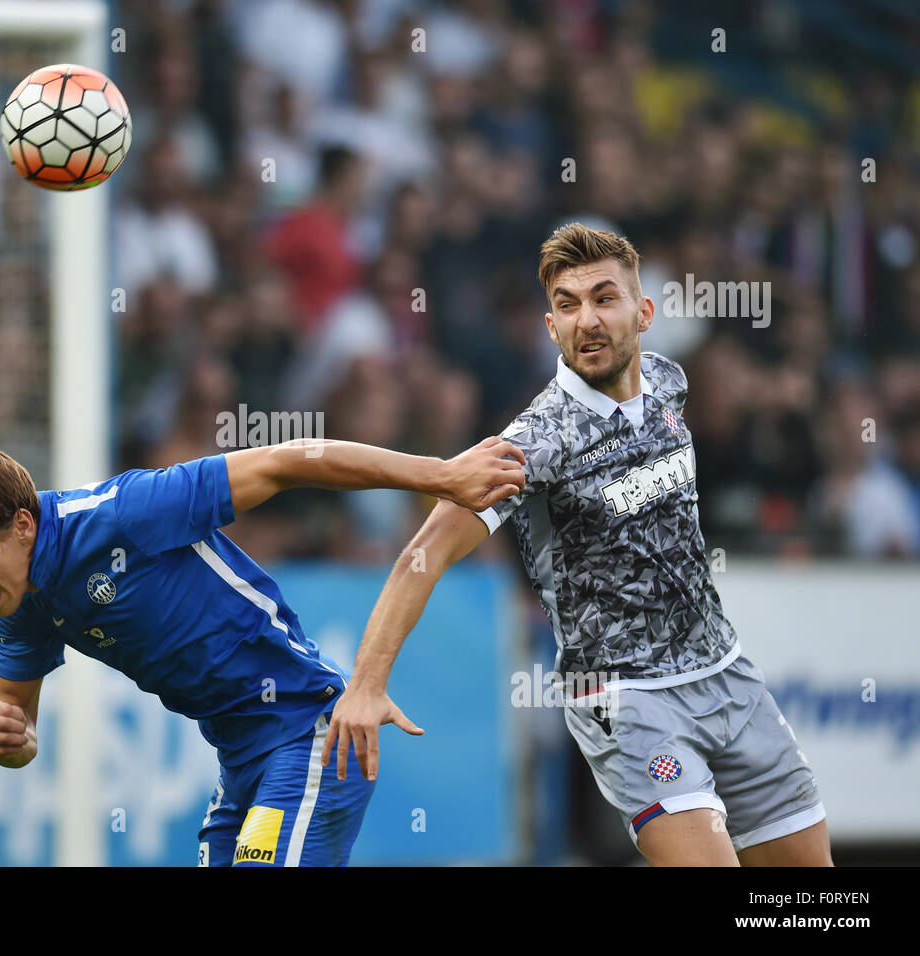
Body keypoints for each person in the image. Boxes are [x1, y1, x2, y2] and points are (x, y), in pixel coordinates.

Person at [324, 222, 832, 866]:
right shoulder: (536, 441)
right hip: (625, 699)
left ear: (644, 313)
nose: (586, 319)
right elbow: (421, 553)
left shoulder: (671, 383)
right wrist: (366, 683)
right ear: (551, 327)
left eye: (603, 298)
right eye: (567, 305)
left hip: (728, 675)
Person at [0, 417, 524, 866]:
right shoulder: (18, 603)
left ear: (22, 525)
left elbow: (286, 462)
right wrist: (14, 744)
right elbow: (18, 728)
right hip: (243, 764)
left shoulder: (124, 512)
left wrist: (441, 475)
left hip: (311, 735)